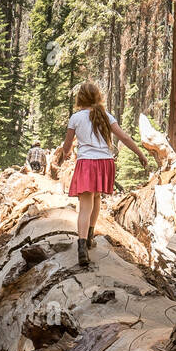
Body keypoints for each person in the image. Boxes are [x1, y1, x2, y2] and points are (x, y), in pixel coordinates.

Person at [61, 80, 148, 268]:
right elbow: (124, 137)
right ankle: (91, 236)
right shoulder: (107, 116)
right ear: (98, 97)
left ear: (80, 98)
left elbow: (67, 148)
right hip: (104, 163)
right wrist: (140, 153)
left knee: (85, 206)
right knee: (97, 198)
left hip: (86, 163)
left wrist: (65, 153)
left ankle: (82, 246)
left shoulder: (76, 118)